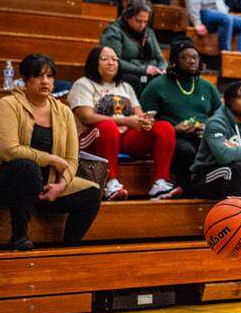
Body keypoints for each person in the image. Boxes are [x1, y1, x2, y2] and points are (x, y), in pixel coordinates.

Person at [0, 54, 101, 250]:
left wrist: (62, 185)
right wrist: (50, 159)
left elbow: (72, 159)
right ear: (25, 80)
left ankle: (69, 249)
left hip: (47, 185)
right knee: (27, 168)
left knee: (92, 193)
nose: (45, 81)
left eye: (49, 76)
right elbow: (6, 150)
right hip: (9, 182)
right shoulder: (8, 104)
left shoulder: (64, 111)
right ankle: (20, 237)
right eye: (38, 76)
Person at [69, 45, 181, 202]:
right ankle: (110, 183)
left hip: (122, 138)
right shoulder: (83, 84)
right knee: (108, 127)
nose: (111, 63)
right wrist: (125, 121)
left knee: (164, 128)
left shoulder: (125, 87)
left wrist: (145, 122)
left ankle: (160, 183)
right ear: (94, 62)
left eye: (115, 59)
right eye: (105, 59)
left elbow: (138, 114)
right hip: (91, 139)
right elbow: (87, 118)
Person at [140, 38, 222, 193]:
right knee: (186, 151)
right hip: (173, 136)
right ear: (174, 61)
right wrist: (173, 129)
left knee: (216, 149)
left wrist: (207, 127)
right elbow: (144, 119)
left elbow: (220, 116)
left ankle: (212, 191)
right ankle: (188, 192)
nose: (191, 61)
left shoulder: (207, 86)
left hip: (202, 135)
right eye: (185, 57)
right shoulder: (158, 85)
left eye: (194, 57)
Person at [100, 0, 167, 97]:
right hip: (127, 73)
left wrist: (162, 69)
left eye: (145, 22)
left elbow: (160, 59)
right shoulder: (114, 31)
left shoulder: (148, 32)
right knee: (133, 80)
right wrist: (143, 69)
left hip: (149, 71)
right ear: (127, 17)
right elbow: (114, 61)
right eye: (138, 21)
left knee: (164, 80)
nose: (142, 26)